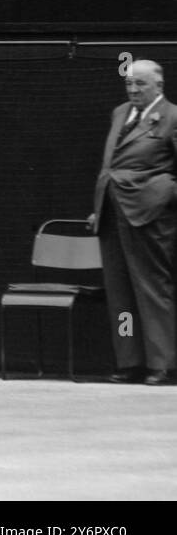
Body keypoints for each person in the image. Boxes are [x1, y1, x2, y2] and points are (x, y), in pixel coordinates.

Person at [88, 60, 177, 385]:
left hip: (151, 217)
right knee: (119, 292)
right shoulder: (119, 113)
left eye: (140, 84)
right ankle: (130, 363)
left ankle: (163, 364)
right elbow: (110, 164)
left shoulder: (173, 116)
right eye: (129, 84)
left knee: (153, 289)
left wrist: (161, 195)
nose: (134, 90)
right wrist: (100, 206)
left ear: (158, 85)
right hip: (112, 214)